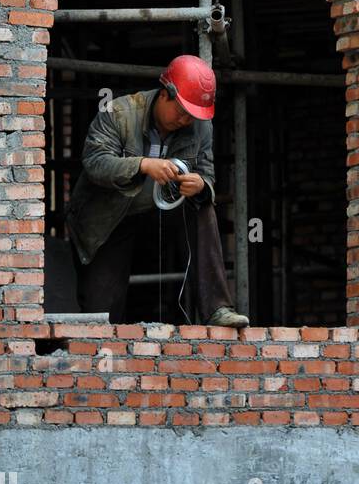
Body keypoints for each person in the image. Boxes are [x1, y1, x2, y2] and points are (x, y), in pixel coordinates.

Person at [65, 54, 249, 328]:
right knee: (100, 313)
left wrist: (200, 184)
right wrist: (142, 165)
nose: (186, 120)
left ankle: (217, 309)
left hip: (161, 214)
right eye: (182, 111)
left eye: (193, 116)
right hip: (110, 221)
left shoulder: (200, 127)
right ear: (165, 94)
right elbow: (95, 163)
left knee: (202, 205)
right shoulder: (117, 113)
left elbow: (207, 173)